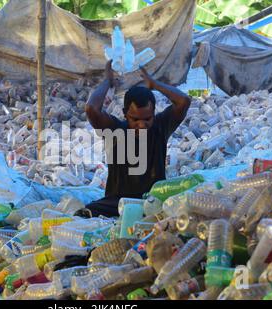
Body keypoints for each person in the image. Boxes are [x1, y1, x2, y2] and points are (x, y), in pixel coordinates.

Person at [80, 60, 191, 218]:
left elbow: (184, 101)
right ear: (125, 113)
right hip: (118, 203)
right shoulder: (115, 131)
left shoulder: (160, 127)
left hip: (153, 202)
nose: (142, 125)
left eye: (147, 119)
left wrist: (155, 84)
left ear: (154, 114)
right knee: (84, 213)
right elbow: (91, 108)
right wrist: (108, 82)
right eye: (135, 120)